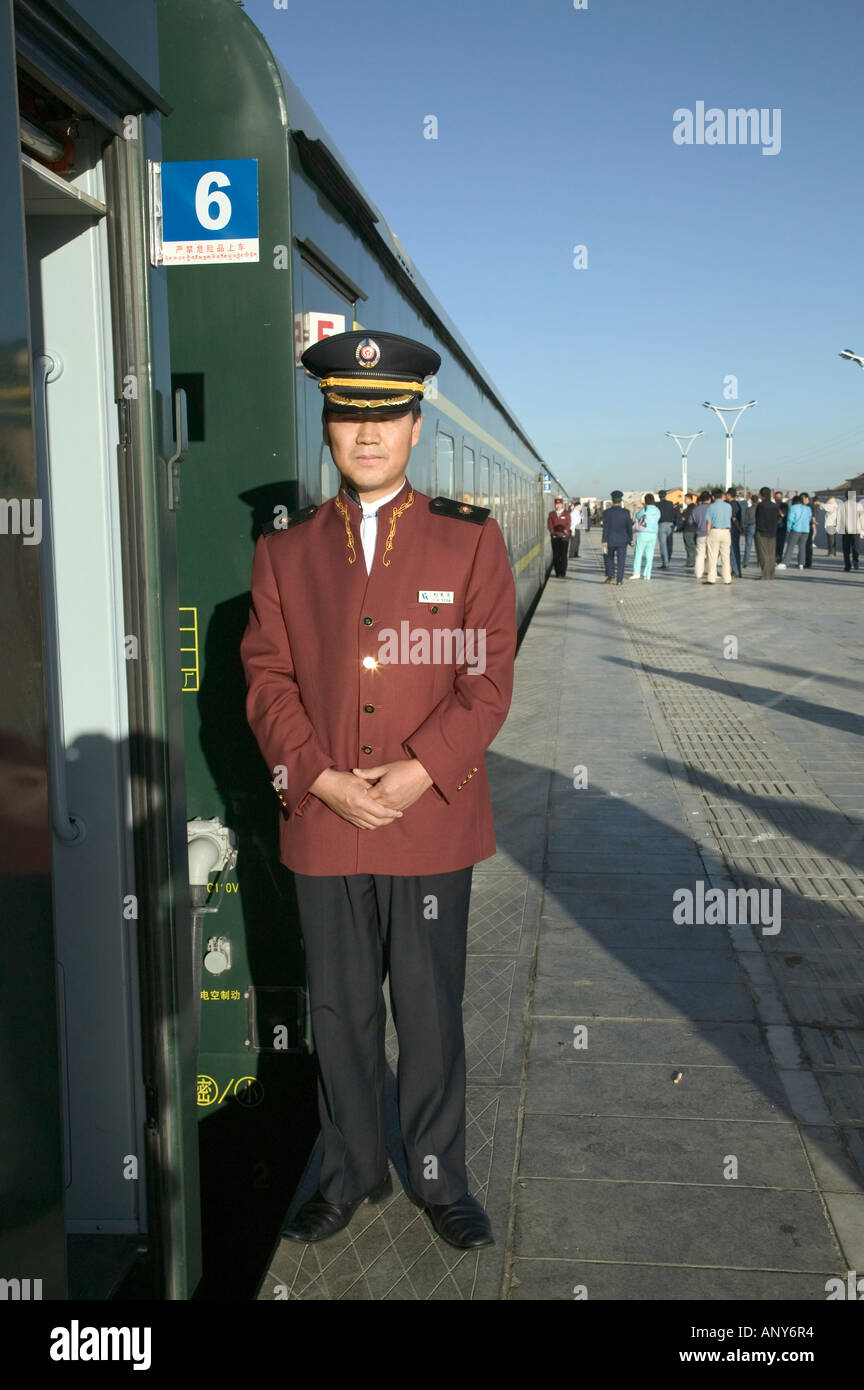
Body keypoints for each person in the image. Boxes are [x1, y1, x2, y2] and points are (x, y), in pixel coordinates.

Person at [240, 328, 517, 1250]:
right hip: (324, 821)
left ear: (414, 426)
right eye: (349, 417)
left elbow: (486, 681)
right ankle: (350, 1169)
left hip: (426, 820)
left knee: (431, 1013)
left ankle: (439, 1178)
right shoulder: (284, 554)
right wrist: (317, 775)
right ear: (326, 426)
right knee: (339, 1010)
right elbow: (266, 678)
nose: (368, 435)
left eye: (387, 416)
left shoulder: (469, 543)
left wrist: (415, 772)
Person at [602, 490, 632, 585]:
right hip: (623, 540)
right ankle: (619, 580)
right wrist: (630, 539)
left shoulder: (606, 512)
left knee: (609, 558)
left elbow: (605, 527)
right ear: (621, 500)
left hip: (610, 539)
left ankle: (611, 574)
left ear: (612, 500)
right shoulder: (626, 512)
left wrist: (604, 539)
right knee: (621, 560)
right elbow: (629, 527)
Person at [704, 488, 733, 585]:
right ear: (722, 495)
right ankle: (727, 578)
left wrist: (707, 534)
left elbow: (709, 522)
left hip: (715, 531)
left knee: (713, 556)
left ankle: (711, 578)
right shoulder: (728, 506)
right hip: (726, 532)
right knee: (726, 556)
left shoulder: (711, 507)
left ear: (713, 497)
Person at [631, 493, 661, 580]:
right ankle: (647, 574)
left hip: (643, 533)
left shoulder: (645, 508)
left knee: (638, 553)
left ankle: (636, 573)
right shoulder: (658, 510)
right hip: (653, 534)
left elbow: (637, 516)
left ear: (645, 501)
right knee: (650, 554)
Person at [779, 494, 812, 569]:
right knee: (802, 546)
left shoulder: (793, 508)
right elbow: (809, 518)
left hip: (796, 529)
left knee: (790, 546)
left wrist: (788, 529)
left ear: (794, 501)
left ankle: (785, 563)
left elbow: (790, 519)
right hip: (806, 530)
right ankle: (801, 564)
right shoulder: (808, 508)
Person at [754, 485, 779, 579]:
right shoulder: (775, 506)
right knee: (771, 554)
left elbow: (758, 519)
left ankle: (765, 574)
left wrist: (759, 530)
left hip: (762, 532)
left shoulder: (761, 506)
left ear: (761, 495)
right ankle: (771, 574)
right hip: (772, 532)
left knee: (763, 554)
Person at [690, 490, 712, 580]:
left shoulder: (696, 509)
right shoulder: (712, 508)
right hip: (711, 534)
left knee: (700, 554)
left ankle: (698, 573)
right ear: (710, 499)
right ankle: (709, 571)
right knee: (711, 554)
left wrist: (698, 525)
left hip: (700, 534)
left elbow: (690, 522)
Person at [547, 495, 571, 577]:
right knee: (556, 555)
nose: (558, 505)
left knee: (563, 555)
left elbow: (568, 524)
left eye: (559, 504)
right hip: (555, 537)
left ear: (562, 504)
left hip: (564, 538)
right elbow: (549, 525)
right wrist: (553, 532)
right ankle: (557, 572)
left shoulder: (566, 513)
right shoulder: (552, 514)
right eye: (556, 504)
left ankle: (563, 572)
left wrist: (564, 533)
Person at [841, 492, 863, 571]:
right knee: (855, 547)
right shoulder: (858, 505)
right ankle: (856, 564)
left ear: (845, 496)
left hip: (846, 530)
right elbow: (862, 518)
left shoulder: (842, 505)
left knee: (846, 549)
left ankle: (847, 566)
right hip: (855, 530)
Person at [725, 488, 743, 576]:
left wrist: (739, 528)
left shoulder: (731, 505)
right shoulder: (736, 504)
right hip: (734, 529)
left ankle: (736, 571)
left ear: (729, 495)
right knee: (733, 550)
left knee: (733, 551)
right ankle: (736, 570)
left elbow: (734, 518)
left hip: (733, 529)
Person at [655, 490, 676, 568]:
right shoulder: (670, 503)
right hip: (670, 525)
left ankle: (665, 563)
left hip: (661, 525)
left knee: (663, 545)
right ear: (666, 495)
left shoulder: (657, 504)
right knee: (670, 544)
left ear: (659, 496)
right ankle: (668, 559)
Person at [680, 491, 698, 569]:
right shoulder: (693, 507)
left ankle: (691, 562)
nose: (684, 501)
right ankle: (691, 561)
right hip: (692, 529)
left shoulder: (691, 508)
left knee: (689, 546)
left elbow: (684, 518)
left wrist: (682, 513)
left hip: (689, 529)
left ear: (690, 499)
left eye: (685, 499)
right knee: (691, 546)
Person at [742, 493, 758, 567]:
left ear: (751, 501)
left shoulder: (748, 509)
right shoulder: (759, 509)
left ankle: (745, 562)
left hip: (749, 527)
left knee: (748, 545)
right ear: (757, 501)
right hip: (757, 527)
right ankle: (759, 562)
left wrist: (744, 528)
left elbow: (745, 520)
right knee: (758, 546)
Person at [802, 492, 816, 568]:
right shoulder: (803, 506)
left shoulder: (811, 506)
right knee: (803, 546)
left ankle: (808, 562)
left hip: (808, 528)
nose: (802, 500)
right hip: (803, 528)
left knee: (808, 546)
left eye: (803, 499)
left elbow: (813, 517)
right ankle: (803, 561)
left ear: (807, 498)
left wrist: (814, 522)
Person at [774, 491, 788, 562]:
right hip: (773, 528)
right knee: (774, 545)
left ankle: (779, 559)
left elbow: (783, 515)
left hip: (782, 527)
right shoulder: (772, 505)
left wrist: (778, 508)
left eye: (779, 497)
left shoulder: (784, 505)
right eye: (776, 497)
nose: (778, 499)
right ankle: (774, 558)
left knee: (780, 544)